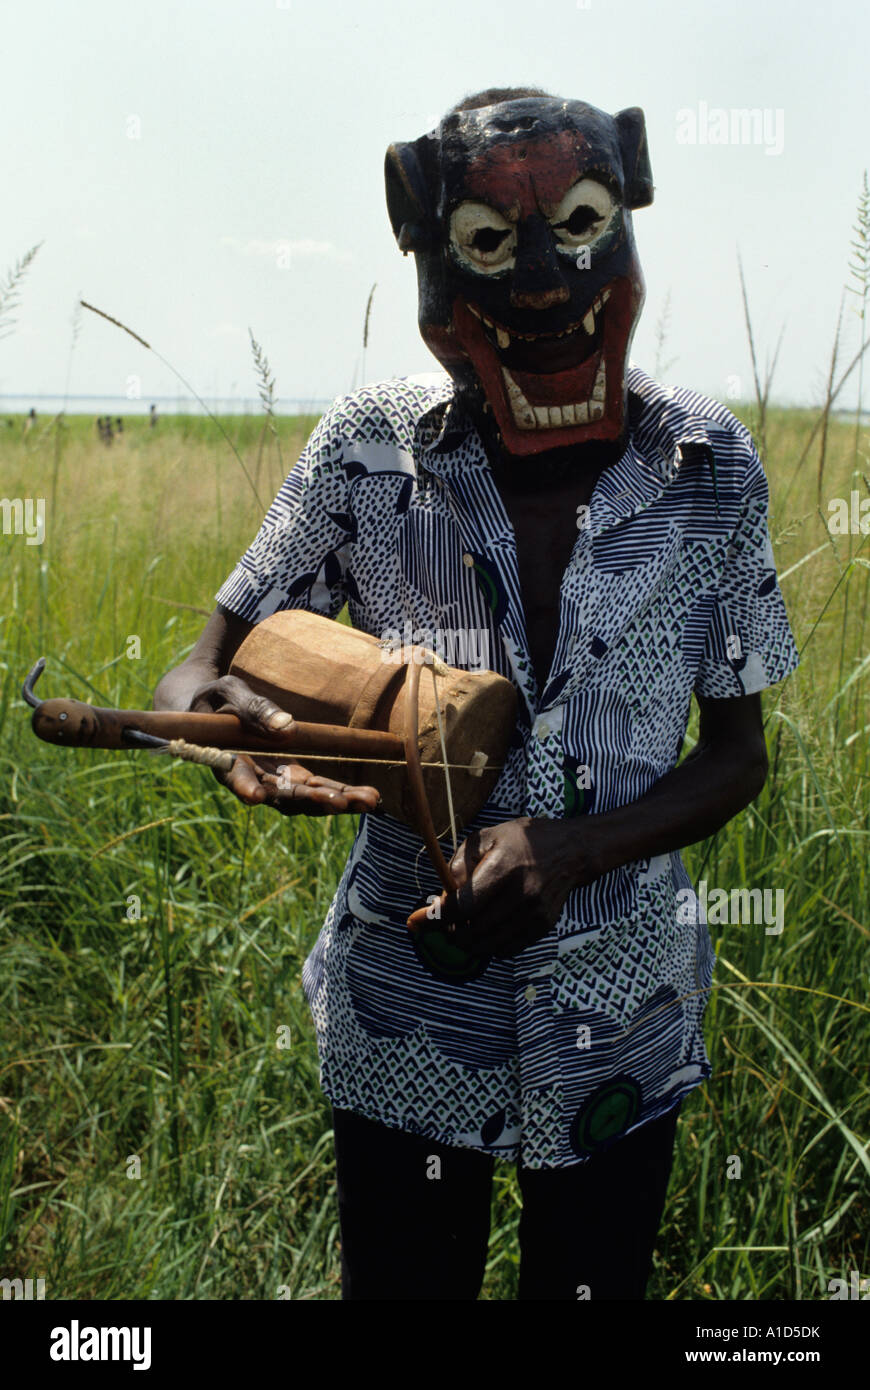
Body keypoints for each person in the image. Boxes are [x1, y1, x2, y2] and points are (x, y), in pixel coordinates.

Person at [153, 87, 799, 1300]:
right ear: (428, 256)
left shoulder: (707, 465)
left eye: (583, 223)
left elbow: (739, 756)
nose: (549, 283)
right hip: (408, 1010)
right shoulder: (367, 449)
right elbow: (201, 663)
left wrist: (573, 848)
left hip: (622, 1009)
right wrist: (228, 728)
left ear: (629, 227)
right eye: (493, 246)